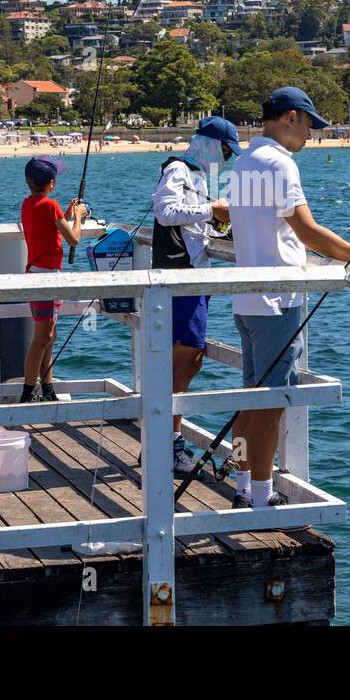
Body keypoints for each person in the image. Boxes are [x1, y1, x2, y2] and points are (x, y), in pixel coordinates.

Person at [228, 87, 350, 509]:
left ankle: (242, 484)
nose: (311, 136)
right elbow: (308, 232)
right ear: (291, 118)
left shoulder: (243, 162)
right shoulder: (280, 164)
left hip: (246, 299)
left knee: (250, 397)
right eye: (310, 126)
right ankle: (261, 496)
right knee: (272, 403)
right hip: (278, 300)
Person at [152, 116, 237, 477]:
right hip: (183, 278)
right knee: (184, 363)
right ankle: (168, 444)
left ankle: (162, 439)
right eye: (227, 150)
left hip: (195, 277)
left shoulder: (197, 175)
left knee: (189, 361)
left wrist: (216, 224)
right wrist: (211, 209)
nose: (229, 158)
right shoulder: (178, 169)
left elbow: (187, 222)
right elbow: (165, 210)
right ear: (210, 143)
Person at [20, 156, 86, 402]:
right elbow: (74, 239)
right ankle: (28, 392)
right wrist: (78, 215)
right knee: (42, 337)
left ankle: (47, 388)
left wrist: (66, 213)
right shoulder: (51, 206)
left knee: (49, 334)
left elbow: (49, 227)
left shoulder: (28, 204)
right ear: (51, 183)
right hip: (47, 277)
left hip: (35, 274)